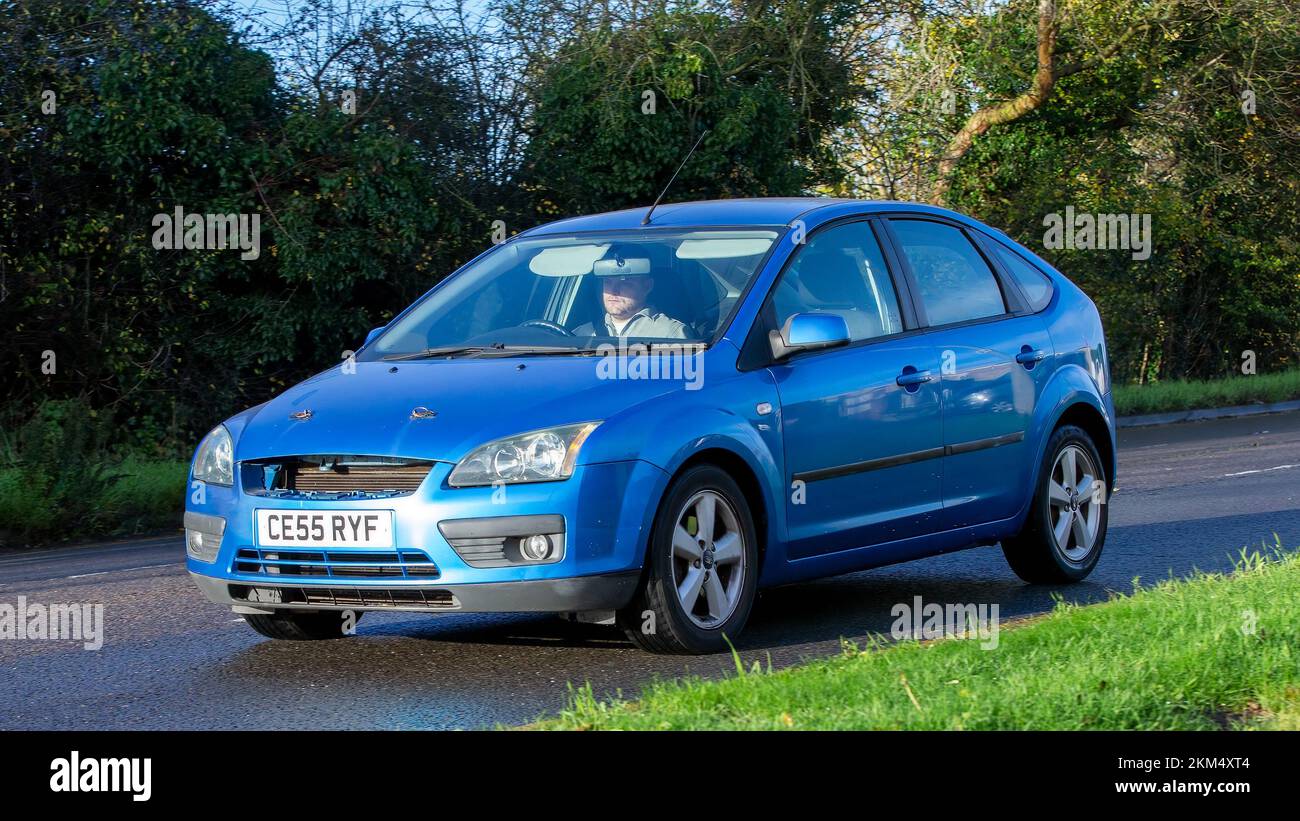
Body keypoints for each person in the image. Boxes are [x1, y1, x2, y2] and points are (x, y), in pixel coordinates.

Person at [573, 245, 689, 339]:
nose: (614, 291)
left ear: (647, 286)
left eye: (625, 282)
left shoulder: (671, 334)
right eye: (607, 282)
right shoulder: (580, 335)